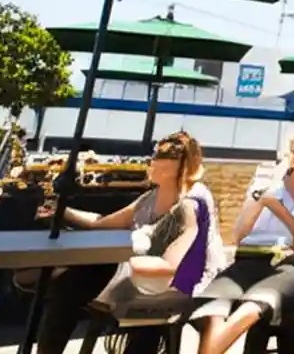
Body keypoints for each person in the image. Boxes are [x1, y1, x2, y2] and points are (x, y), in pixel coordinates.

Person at [36, 131, 220, 353]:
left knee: (142, 304)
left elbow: (176, 261)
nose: (149, 162)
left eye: (155, 158)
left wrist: (143, 263)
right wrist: (62, 211)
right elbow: (102, 223)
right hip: (143, 274)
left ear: (173, 166)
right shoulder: (151, 197)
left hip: (181, 283)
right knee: (70, 284)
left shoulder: (192, 202)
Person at [192, 125, 294, 354]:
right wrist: (264, 198)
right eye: (291, 153)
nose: (292, 159)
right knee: (216, 304)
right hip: (257, 260)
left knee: (262, 307)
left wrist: (278, 208)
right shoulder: (271, 184)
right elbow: (240, 235)